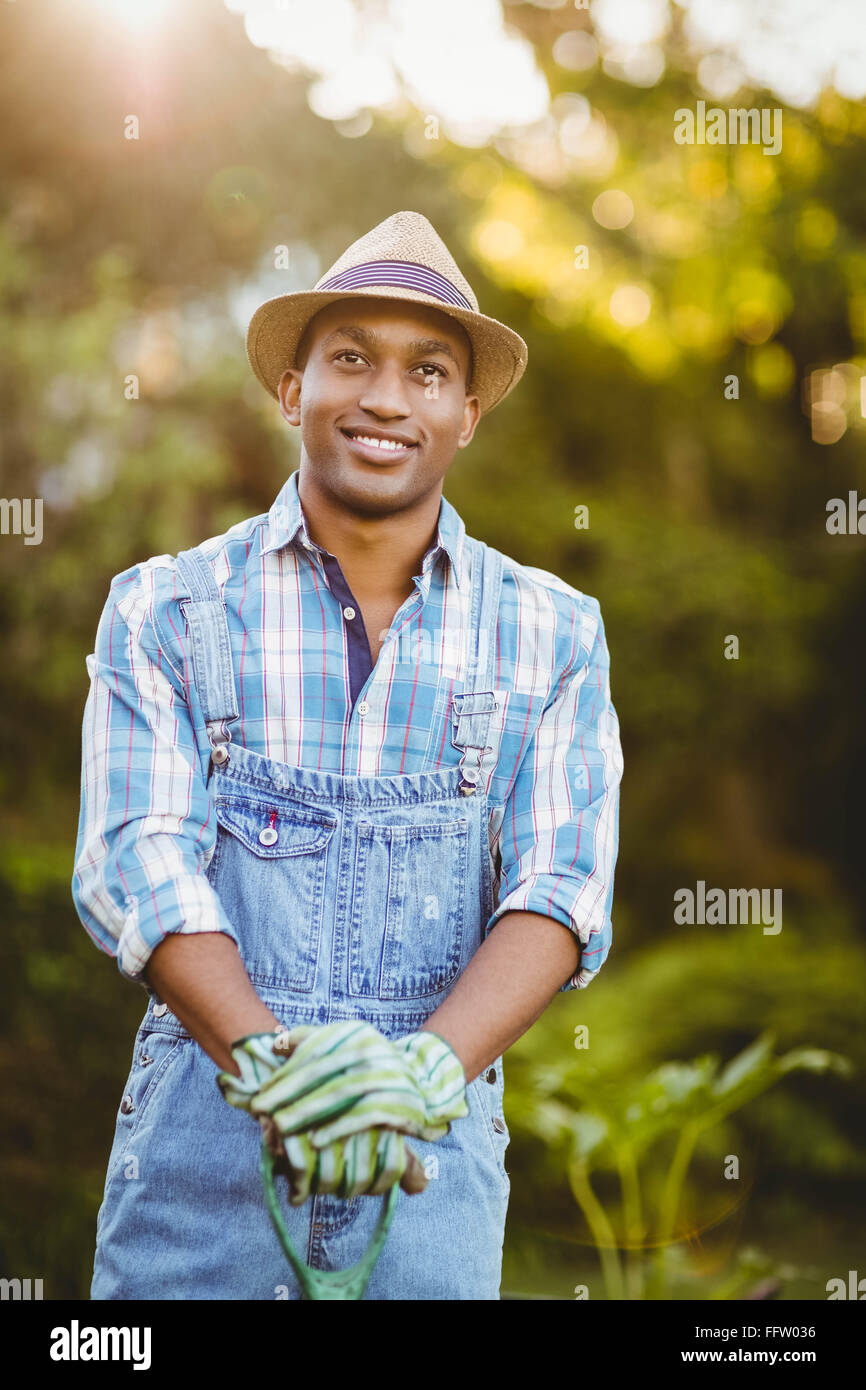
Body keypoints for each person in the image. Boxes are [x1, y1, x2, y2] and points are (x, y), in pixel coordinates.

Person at [72, 210, 623, 1300]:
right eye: (350, 359)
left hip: (430, 1181)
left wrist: (424, 1073)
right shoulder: (164, 610)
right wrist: (271, 1069)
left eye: (427, 371)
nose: (384, 398)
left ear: (466, 414)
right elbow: (136, 861)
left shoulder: (553, 632)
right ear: (292, 389)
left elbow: (560, 888)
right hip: (201, 1179)